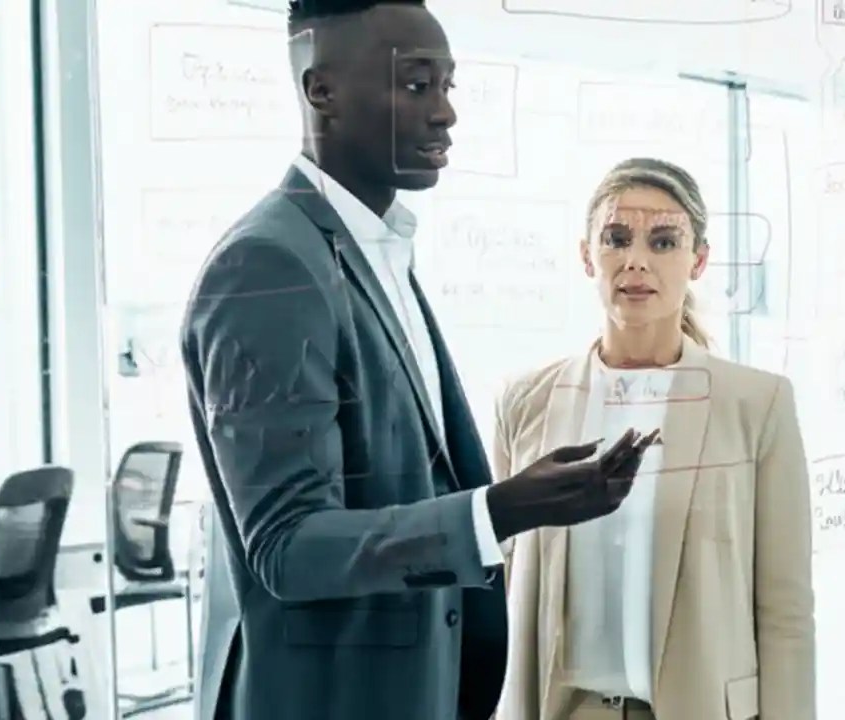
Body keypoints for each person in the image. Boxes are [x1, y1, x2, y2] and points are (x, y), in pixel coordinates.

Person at [180, 3, 656, 719]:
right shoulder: (269, 263)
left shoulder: (374, 250)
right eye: (415, 85)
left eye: (448, 87)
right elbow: (288, 545)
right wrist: (499, 510)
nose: (445, 115)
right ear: (322, 92)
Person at [492, 158, 817, 720]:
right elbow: (495, 581)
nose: (637, 259)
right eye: (617, 239)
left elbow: (784, 610)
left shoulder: (756, 404)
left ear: (699, 260)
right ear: (587, 256)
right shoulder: (526, 402)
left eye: (664, 242)